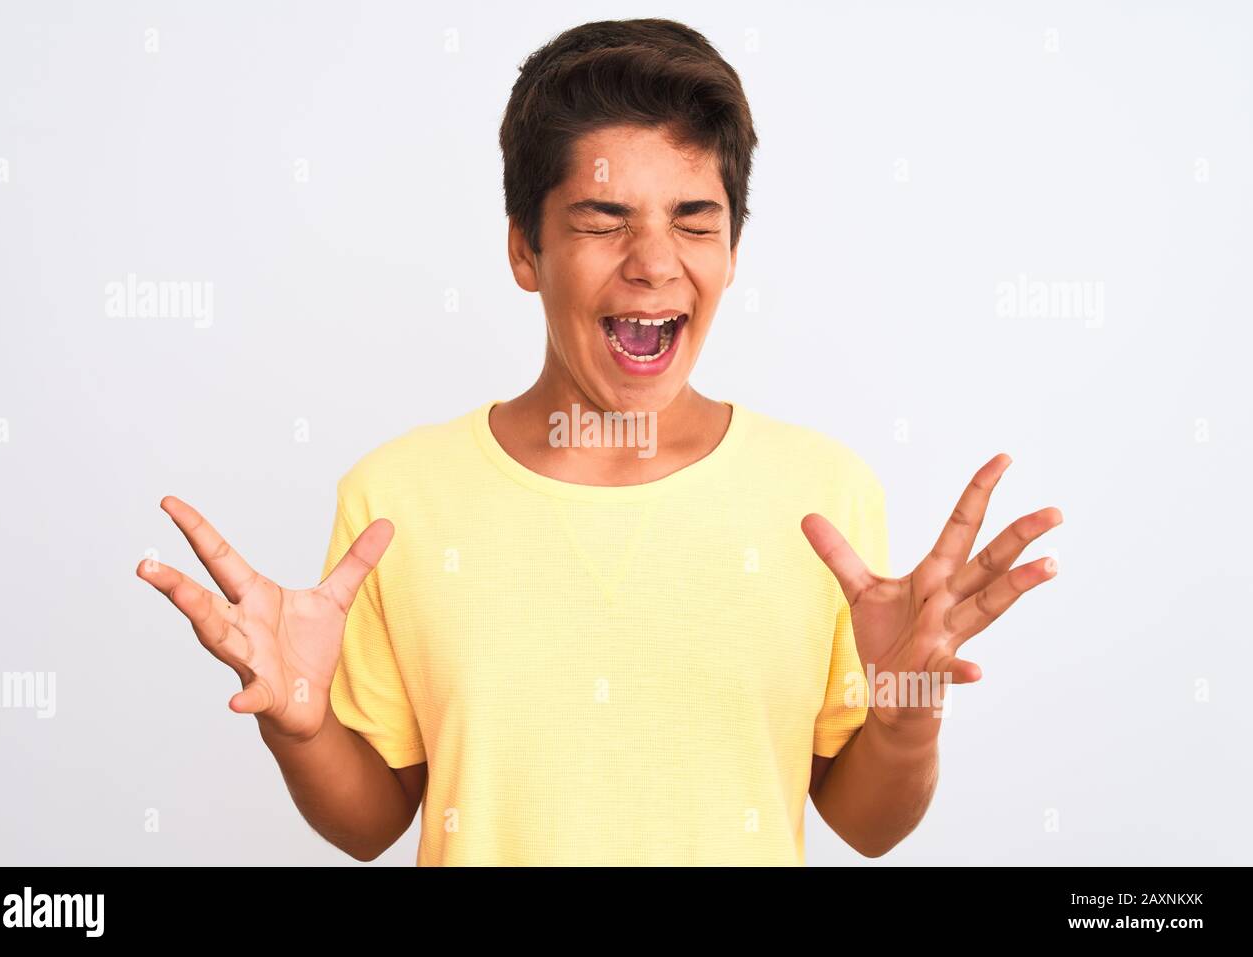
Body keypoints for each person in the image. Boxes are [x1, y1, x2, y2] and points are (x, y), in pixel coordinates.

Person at [136, 18, 1061, 866]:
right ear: (524, 252)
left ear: (732, 250)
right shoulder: (397, 499)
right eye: (603, 218)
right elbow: (374, 821)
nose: (654, 261)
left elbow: (865, 824)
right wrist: (300, 728)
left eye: (694, 219)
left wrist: (906, 715)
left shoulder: (823, 496)